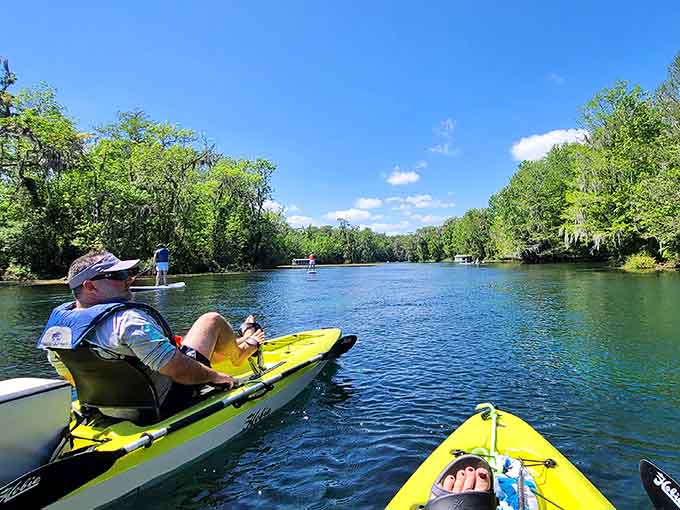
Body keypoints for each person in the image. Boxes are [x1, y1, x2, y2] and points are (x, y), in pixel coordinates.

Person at [37, 250, 265, 420]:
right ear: (90, 286)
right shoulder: (128, 322)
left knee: (177, 342)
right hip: (163, 401)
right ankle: (241, 351)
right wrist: (217, 377)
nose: (130, 279)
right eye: (119, 275)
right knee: (211, 320)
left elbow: (71, 377)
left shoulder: (58, 331)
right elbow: (179, 370)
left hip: (104, 408)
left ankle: (240, 339)